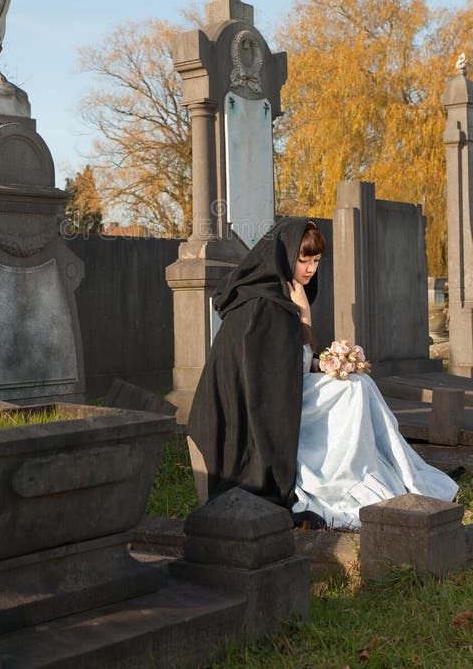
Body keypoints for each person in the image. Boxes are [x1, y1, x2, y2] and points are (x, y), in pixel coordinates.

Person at [187, 217, 458, 528]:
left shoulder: (283, 295)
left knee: (360, 384)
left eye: (316, 261)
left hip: (287, 390)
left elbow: (292, 360)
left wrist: (325, 360)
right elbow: (268, 380)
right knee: (353, 392)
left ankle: (383, 471)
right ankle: (344, 480)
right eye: (304, 260)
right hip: (264, 405)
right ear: (284, 255)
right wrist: (304, 318)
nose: (310, 269)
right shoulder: (262, 306)